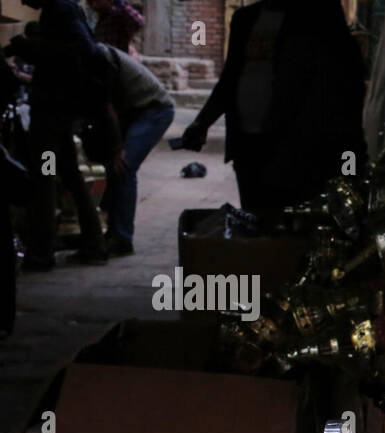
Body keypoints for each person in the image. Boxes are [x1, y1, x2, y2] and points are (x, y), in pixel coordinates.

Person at [179, 0, 366, 216]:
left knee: (290, 225)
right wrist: (202, 122)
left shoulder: (316, 19)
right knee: (256, 220)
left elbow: (341, 97)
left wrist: (349, 166)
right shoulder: (245, 19)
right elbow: (230, 79)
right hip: (247, 144)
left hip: (293, 148)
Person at [20, 0, 108, 268]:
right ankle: (94, 244)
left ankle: (43, 251)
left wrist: (34, 49)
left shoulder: (60, 8)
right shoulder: (62, 8)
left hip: (52, 115)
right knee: (69, 173)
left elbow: (83, 50)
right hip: (60, 111)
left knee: (46, 175)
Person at [92, 41, 174, 255]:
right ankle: (111, 231)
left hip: (154, 110)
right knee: (113, 168)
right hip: (134, 111)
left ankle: (122, 240)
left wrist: (118, 148)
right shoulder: (91, 53)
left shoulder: (97, 56)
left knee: (124, 168)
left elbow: (108, 108)